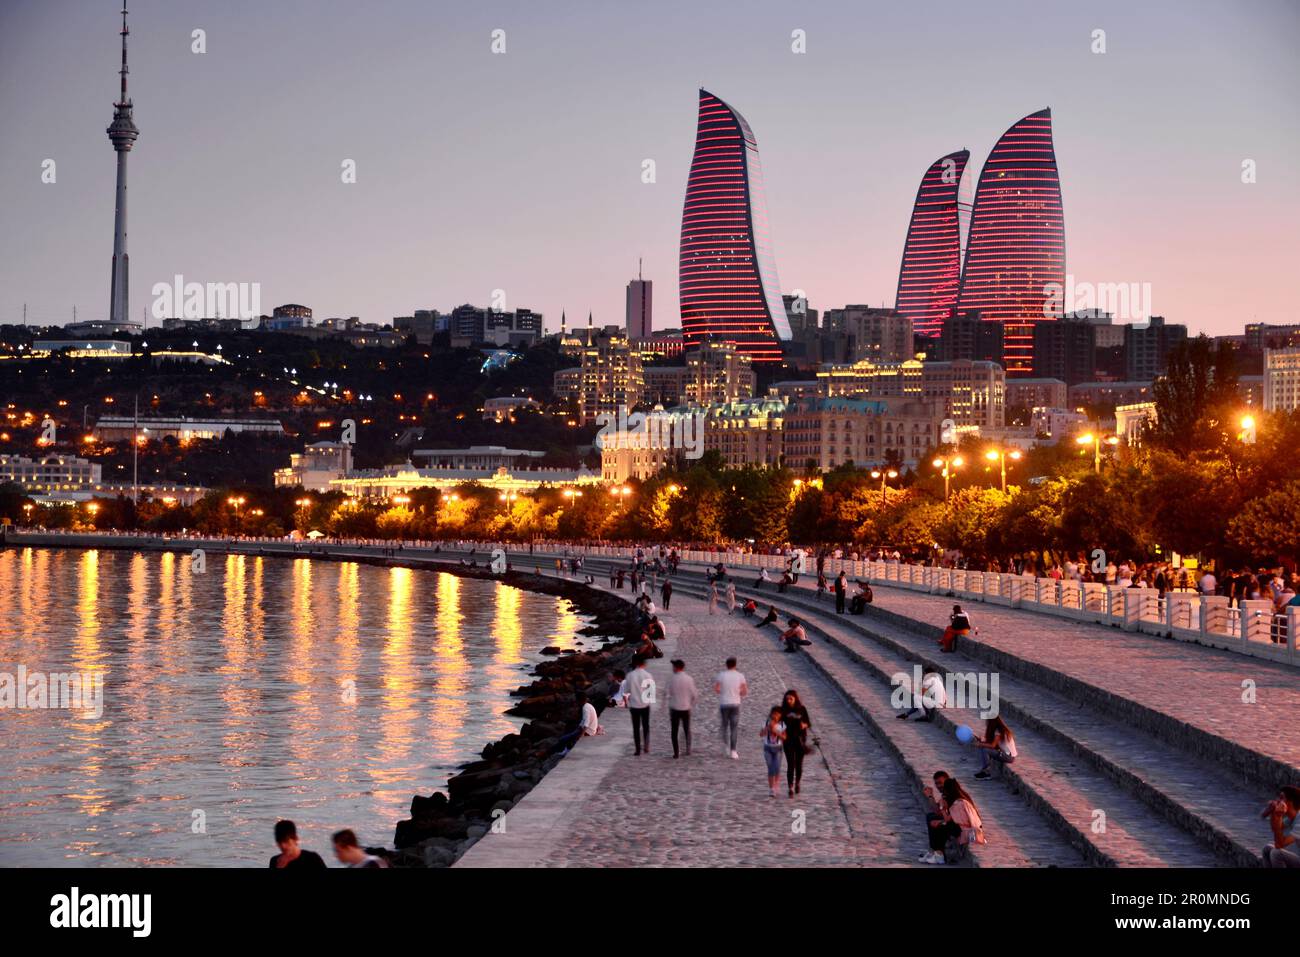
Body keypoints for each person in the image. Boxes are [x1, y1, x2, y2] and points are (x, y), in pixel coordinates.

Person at [714, 657, 748, 759]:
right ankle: (733, 750)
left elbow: (717, 689)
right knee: (734, 728)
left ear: (726, 665)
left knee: (724, 726)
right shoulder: (740, 676)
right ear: (735, 665)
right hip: (735, 704)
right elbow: (744, 691)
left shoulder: (721, 675)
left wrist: (724, 692)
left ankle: (725, 746)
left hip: (724, 703)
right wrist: (738, 693)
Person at [941, 777, 986, 856]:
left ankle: (941, 854)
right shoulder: (963, 798)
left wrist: (942, 808)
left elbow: (947, 819)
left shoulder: (958, 803)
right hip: (971, 829)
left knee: (943, 827)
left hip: (968, 831)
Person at [779, 689, 811, 797]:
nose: (789, 701)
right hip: (788, 740)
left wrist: (804, 725)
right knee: (790, 764)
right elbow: (778, 724)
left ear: (795, 699)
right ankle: (790, 788)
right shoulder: (783, 711)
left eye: (791, 699)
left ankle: (797, 782)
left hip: (800, 739)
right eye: (787, 699)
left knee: (799, 764)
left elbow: (808, 723)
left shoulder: (802, 709)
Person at [622, 656, 656, 755]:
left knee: (636, 728)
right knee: (646, 726)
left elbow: (626, 691)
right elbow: (651, 693)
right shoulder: (648, 675)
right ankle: (646, 746)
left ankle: (637, 749)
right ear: (643, 664)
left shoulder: (630, 675)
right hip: (645, 705)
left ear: (635, 664)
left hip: (634, 705)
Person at [1261, 785, 1300, 867]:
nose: (1278, 801)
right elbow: (1276, 830)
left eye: (1282, 798)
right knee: (1267, 849)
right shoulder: (1291, 818)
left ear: (1290, 802)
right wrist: (1272, 813)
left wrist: (1278, 816)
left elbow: (1280, 844)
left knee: (1276, 853)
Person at [919, 771, 952, 864]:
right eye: (936, 783)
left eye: (940, 783)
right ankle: (935, 852)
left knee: (935, 820)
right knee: (930, 816)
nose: (938, 786)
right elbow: (937, 810)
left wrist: (941, 821)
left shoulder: (951, 793)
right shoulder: (946, 793)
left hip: (959, 825)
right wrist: (930, 796)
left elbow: (939, 812)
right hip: (950, 820)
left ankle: (939, 854)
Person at [667, 659, 698, 758]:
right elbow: (694, 695)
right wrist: (690, 703)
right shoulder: (689, 679)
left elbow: (668, 694)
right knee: (686, 729)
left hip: (675, 708)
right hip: (685, 707)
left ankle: (676, 752)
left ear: (676, 668)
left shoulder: (671, 679)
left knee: (674, 731)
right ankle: (688, 749)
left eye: (673, 666)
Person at [760, 707, 786, 797]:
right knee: (771, 768)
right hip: (767, 748)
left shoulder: (782, 724)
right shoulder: (766, 723)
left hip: (778, 748)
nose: (776, 716)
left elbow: (785, 737)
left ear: (781, 715)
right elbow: (761, 734)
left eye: (778, 714)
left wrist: (776, 732)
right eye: (774, 714)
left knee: (777, 768)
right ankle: (771, 789)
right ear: (771, 714)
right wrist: (768, 728)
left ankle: (776, 784)